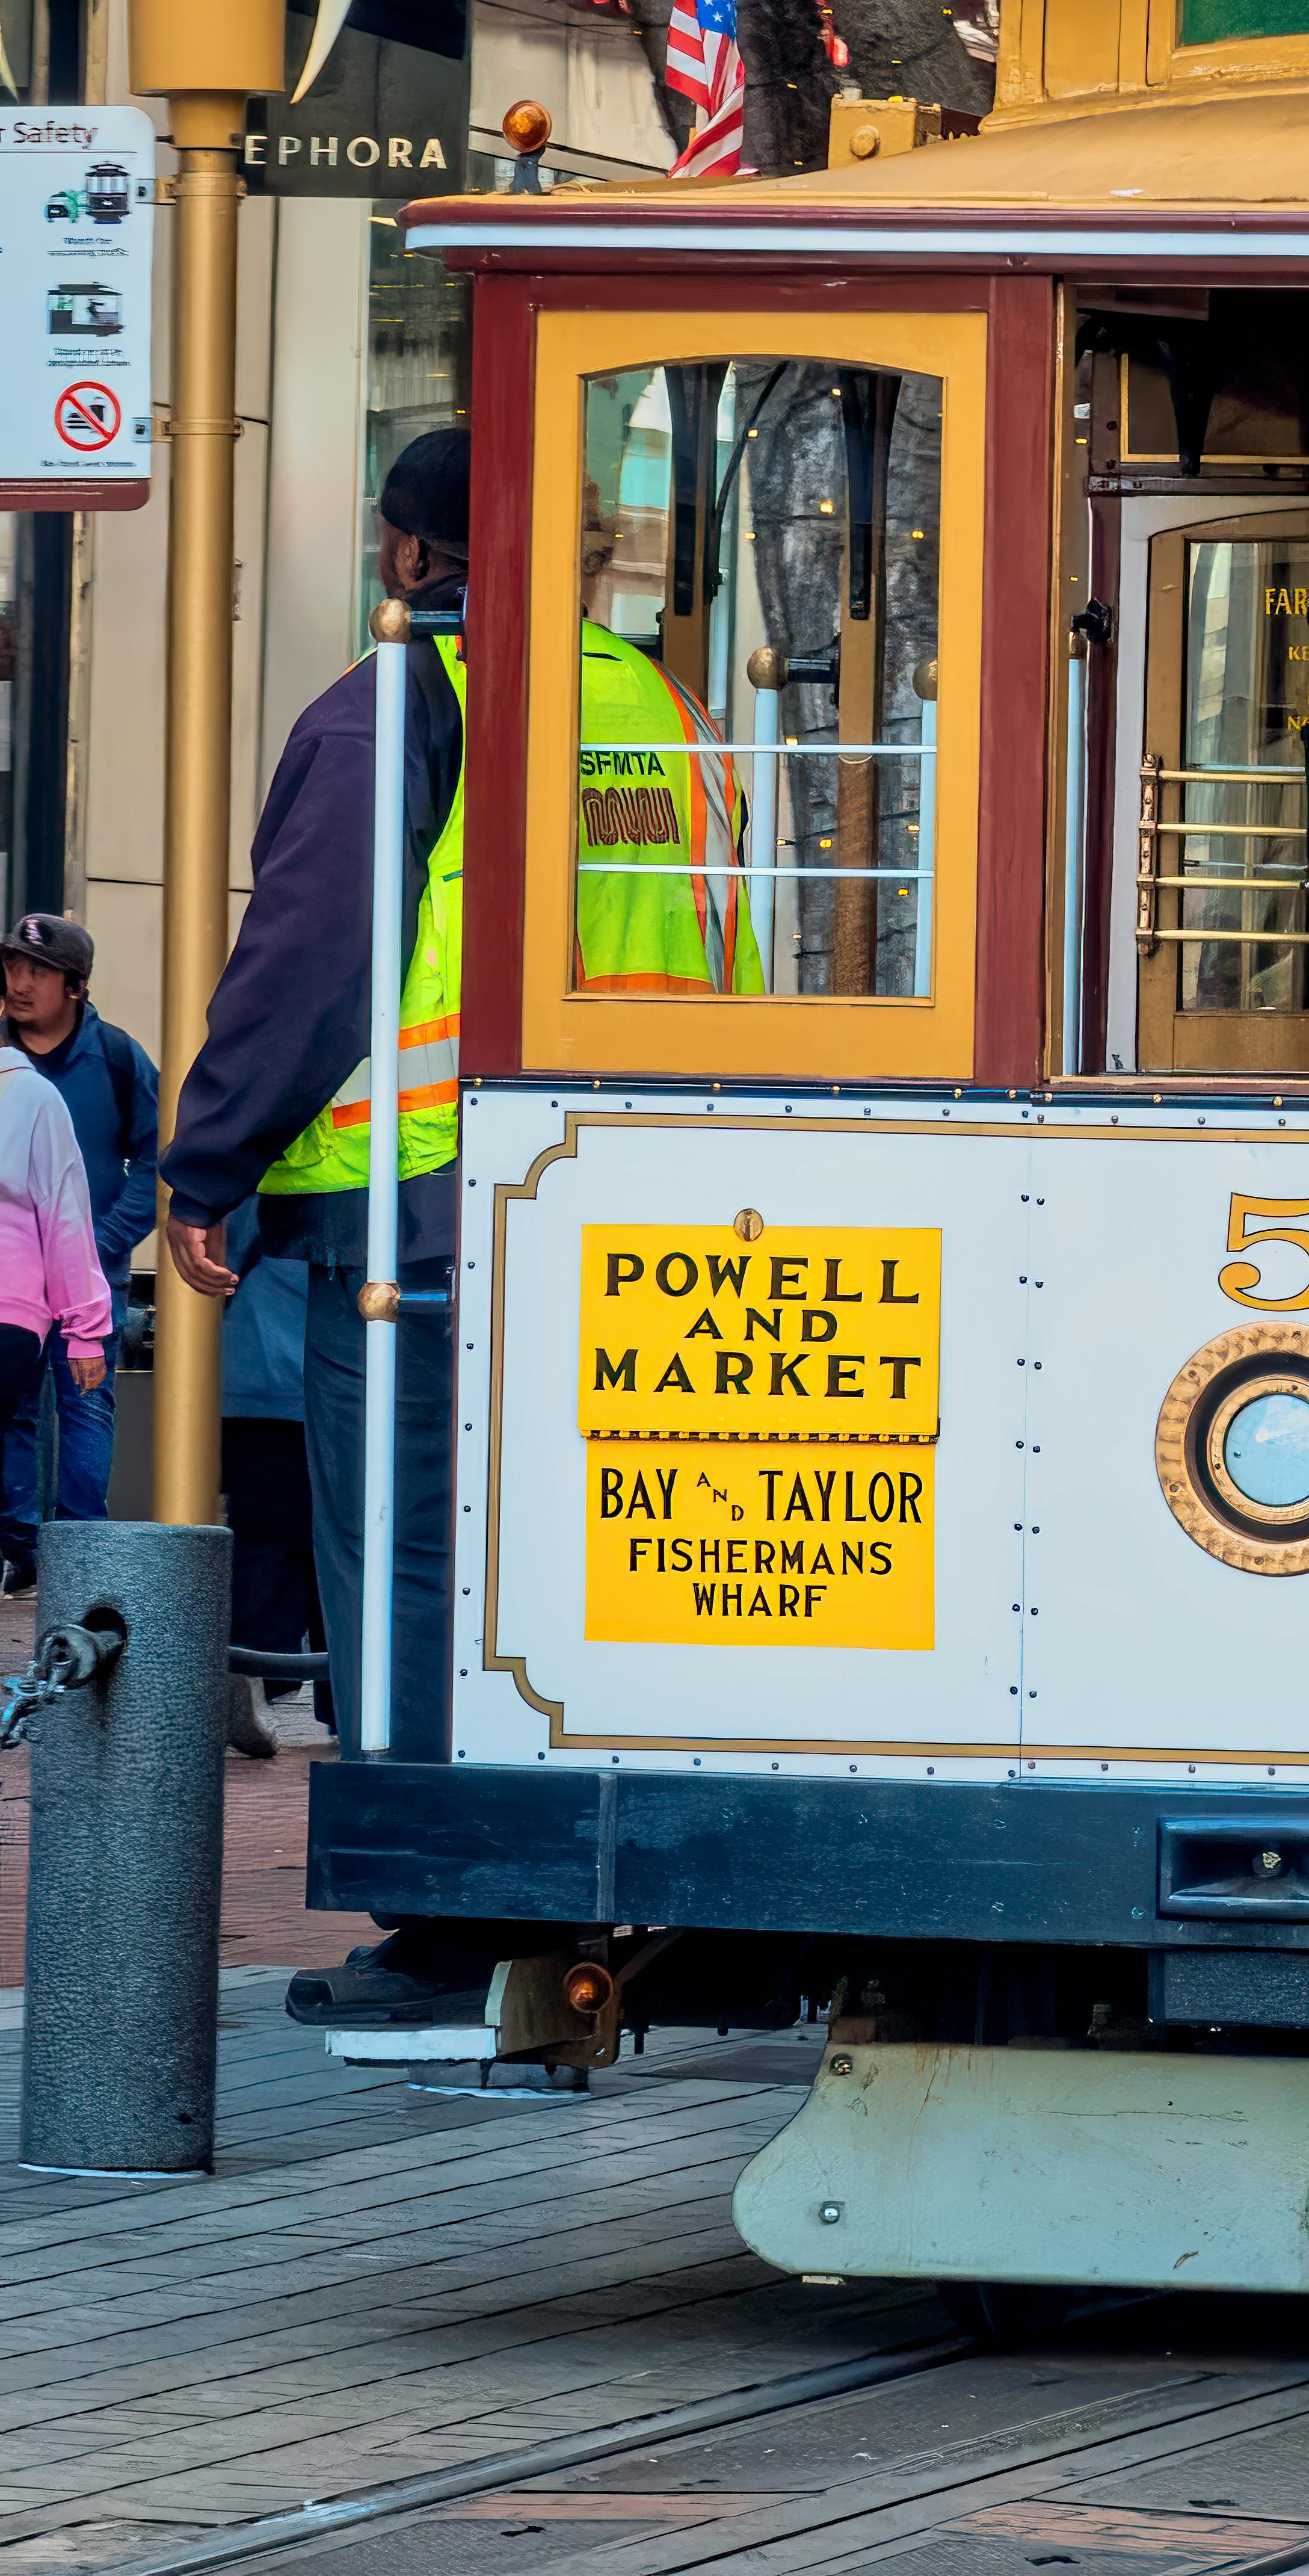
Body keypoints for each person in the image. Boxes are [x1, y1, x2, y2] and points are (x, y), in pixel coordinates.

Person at [164, 428, 754, 2025]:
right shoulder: (662, 709)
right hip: (639, 1198)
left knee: (411, 1564)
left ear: (419, 553)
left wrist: (206, 1164)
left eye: (388, 541)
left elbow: (304, 966)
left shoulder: (398, 705)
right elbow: (726, 942)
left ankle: (444, 1912)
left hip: (423, 1212)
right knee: (570, 1569)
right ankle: (573, 1876)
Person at [0, 913, 155, 1545]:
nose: (20, 982)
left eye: (39, 970)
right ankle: (19, 1547)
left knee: (86, 1405)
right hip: (13, 1286)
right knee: (15, 1415)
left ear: (76, 986)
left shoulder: (117, 1056)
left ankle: (80, 1545)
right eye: (13, 966)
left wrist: (104, 1239)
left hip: (91, 1272)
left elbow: (157, 1158)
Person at [0, 1052, 108, 1592]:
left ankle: (42, 1556)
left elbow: (66, 1212)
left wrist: (85, 1327)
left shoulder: (32, 1096)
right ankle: (19, 1553)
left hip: (8, 1307)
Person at [218, 1194, 315, 1758]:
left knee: (262, 1537)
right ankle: (339, 1701)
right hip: (335, 1374)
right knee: (347, 1544)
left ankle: (255, 1679)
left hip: (258, 1370)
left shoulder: (248, 1161)